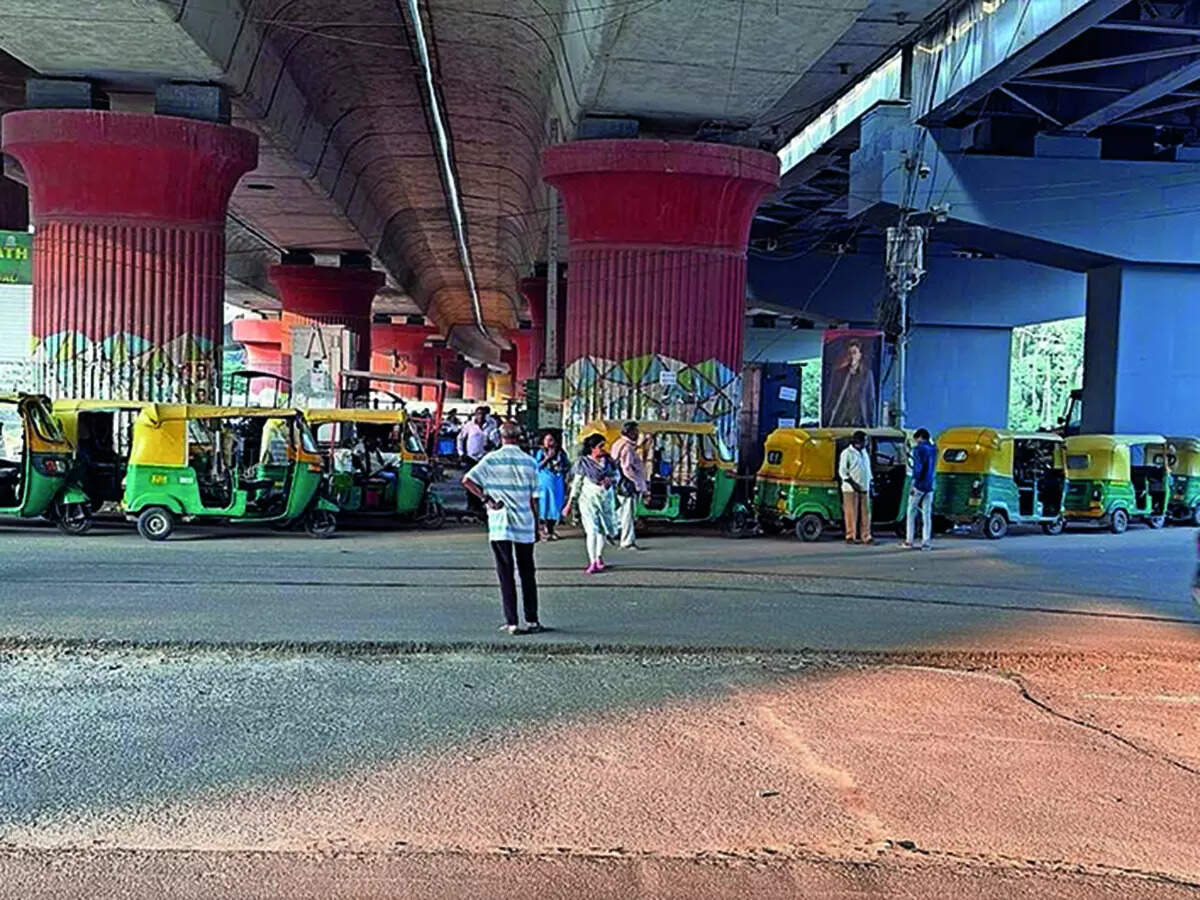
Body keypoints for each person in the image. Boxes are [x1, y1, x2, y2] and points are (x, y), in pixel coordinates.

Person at [462, 421, 542, 635]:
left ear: (500, 437)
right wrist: (537, 525)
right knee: (527, 572)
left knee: (505, 573)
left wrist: (486, 499)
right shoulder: (530, 462)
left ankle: (512, 622)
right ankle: (532, 620)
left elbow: (467, 480)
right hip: (524, 524)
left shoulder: (490, 459)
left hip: (500, 524)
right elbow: (534, 499)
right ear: (520, 437)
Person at [562, 434, 619, 574]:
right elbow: (576, 484)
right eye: (600, 446)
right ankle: (592, 560)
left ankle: (598, 557)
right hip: (588, 500)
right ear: (592, 448)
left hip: (605, 498)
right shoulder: (583, 463)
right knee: (591, 530)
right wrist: (569, 503)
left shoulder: (608, 461)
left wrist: (610, 480)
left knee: (603, 530)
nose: (603, 449)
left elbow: (617, 475)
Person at [609, 421, 647, 550]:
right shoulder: (627, 447)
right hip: (627, 483)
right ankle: (627, 541)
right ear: (630, 432)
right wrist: (637, 482)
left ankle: (615, 534)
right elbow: (627, 468)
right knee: (627, 514)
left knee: (621, 512)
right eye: (636, 431)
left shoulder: (618, 444)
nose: (637, 434)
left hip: (619, 483)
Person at [824, 339, 877, 428]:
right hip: (841, 420)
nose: (852, 356)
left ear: (860, 355)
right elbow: (832, 397)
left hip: (859, 420)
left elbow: (870, 399)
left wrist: (871, 423)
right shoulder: (839, 374)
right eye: (850, 353)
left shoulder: (866, 374)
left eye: (855, 353)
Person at [903, 428, 936, 551]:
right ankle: (926, 542)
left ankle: (909, 540)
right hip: (930, 485)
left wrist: (913, 483)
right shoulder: (934, 450)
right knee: (927, 515)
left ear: (920, 437)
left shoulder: (918, 450)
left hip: (919, 485)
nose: (916, 442)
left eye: (916, 439)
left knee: (911, 512)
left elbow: (918, 468)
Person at [533, 430, 570, 541]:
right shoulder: (540, 452)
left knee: (555, 506)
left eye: (551, 440)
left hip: (557, 482)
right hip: (544, 482)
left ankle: (551, 529)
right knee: (544, 505)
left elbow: (567, 465)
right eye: (547, 440)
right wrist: (547, 458)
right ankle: (543, 530)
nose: (549, 443)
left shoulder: (561, 453)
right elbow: (536, 466)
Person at [838, 429, 873, 545]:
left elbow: (867, 469)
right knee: (851, 513)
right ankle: (850, 536)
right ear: (858, 441)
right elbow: (843, 472)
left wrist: (870, 482)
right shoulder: (847, 453)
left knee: (866, 513)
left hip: (864, 487)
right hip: (850, 488)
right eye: (865, 441)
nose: (866, 443)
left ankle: (866, 536)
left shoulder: (864, 452)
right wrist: (854, 484)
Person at [457, 407, 491, 517]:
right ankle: (471, 506)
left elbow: (496, 440)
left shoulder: (490, 426)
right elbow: (460, 438)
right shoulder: (469, 426)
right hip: (471, 458)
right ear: (475, 415)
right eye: (478, 414)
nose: (480, 416)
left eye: (483, 414)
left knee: (482, 483)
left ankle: (481, 504)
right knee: (469, 481)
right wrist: (461, 453)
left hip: (484, 459)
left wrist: (491, 445)